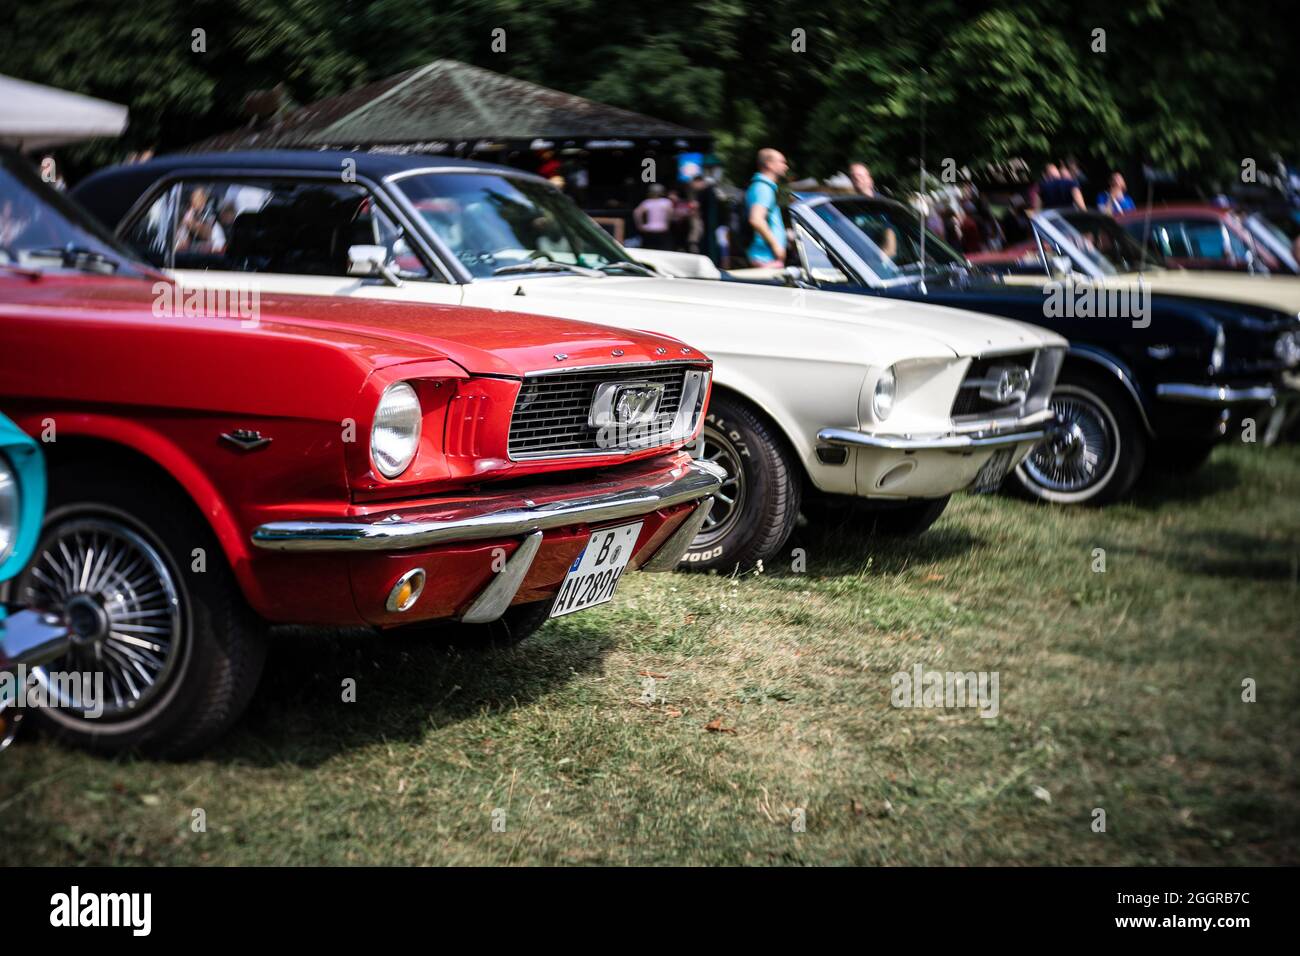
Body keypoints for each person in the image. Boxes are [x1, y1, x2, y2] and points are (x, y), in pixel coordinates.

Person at [746, 147, 789, 267]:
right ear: (769, 164)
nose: (786, 166)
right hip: (764, 258)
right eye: (782, 162)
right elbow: (756, 219)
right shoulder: (763, 188)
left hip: (766, 257)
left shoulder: (764, 187)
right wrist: (776, 246)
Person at [633, 183, 674, 250]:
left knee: (649, 249)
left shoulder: (647, 202)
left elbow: (636, 213)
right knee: (664, 249)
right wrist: (668, 224)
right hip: (662, 229)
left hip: (649, 229)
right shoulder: (666, 202)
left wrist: (640, 225)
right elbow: (670, 214)